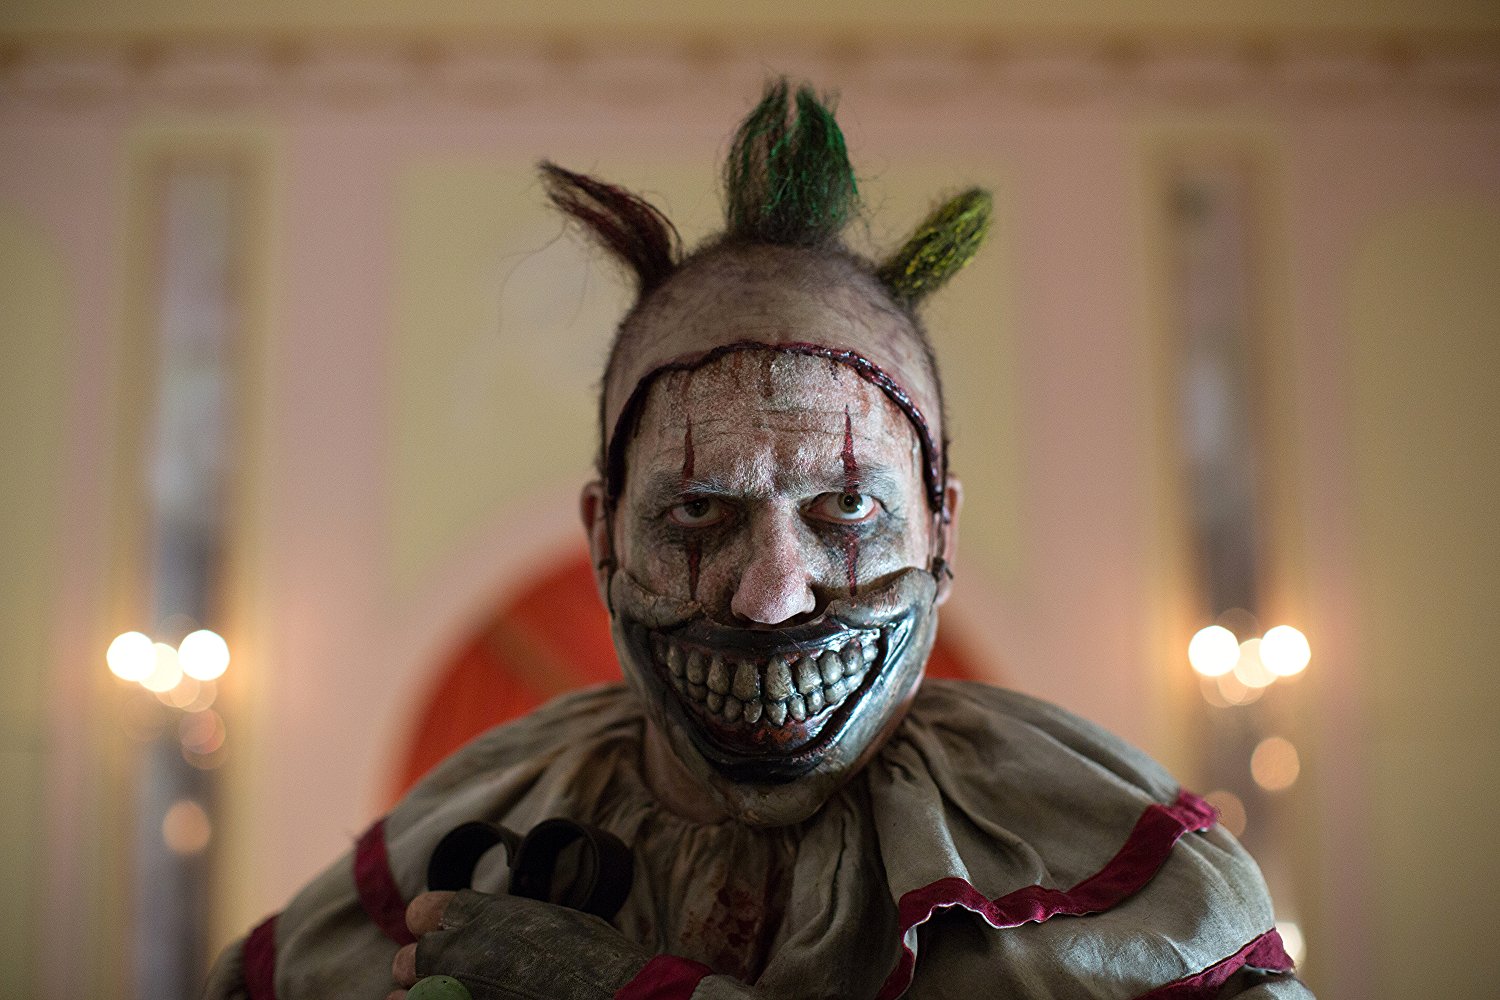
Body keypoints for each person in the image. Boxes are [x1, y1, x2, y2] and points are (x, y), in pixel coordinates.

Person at [205, 81, 1312, 1000]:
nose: (772, 598)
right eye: (696, 512)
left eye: (847, 510)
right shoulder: (474, 822)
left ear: (943, 530)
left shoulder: (1088, 842)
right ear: (604, 535)